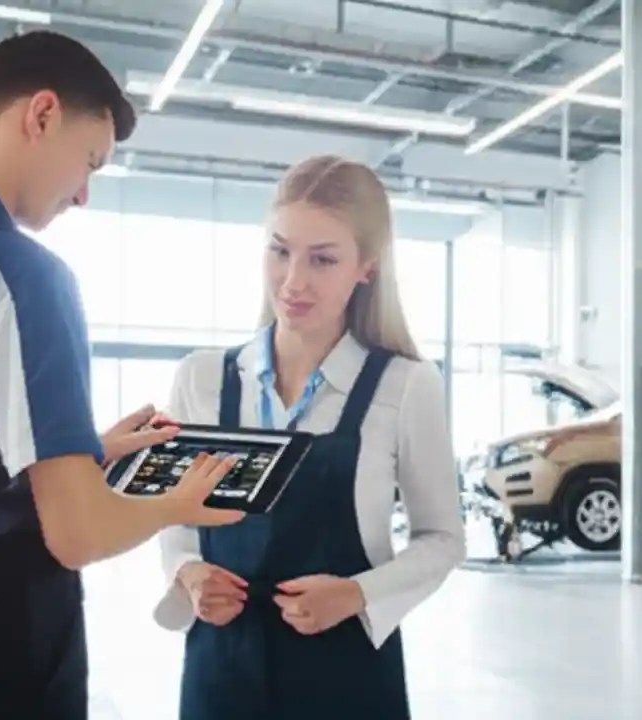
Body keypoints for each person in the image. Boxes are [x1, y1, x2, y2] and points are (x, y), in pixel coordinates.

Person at [0, 31, 243, 719]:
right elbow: (79, 532)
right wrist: (176, 505)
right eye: (89, 160)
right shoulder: (22, 274)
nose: (85, 194)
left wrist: (88, 447)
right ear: (41, 115)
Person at [152, 155, 466, 718]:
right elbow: (177, 519)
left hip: (345, 676)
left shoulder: (405, 386)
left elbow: (443, 538)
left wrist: (356, 594)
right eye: (280, 251)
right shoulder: (201, 379)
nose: (294, 281)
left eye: (323, 259)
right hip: (220, 672)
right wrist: (188, 574)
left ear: (366, 267)